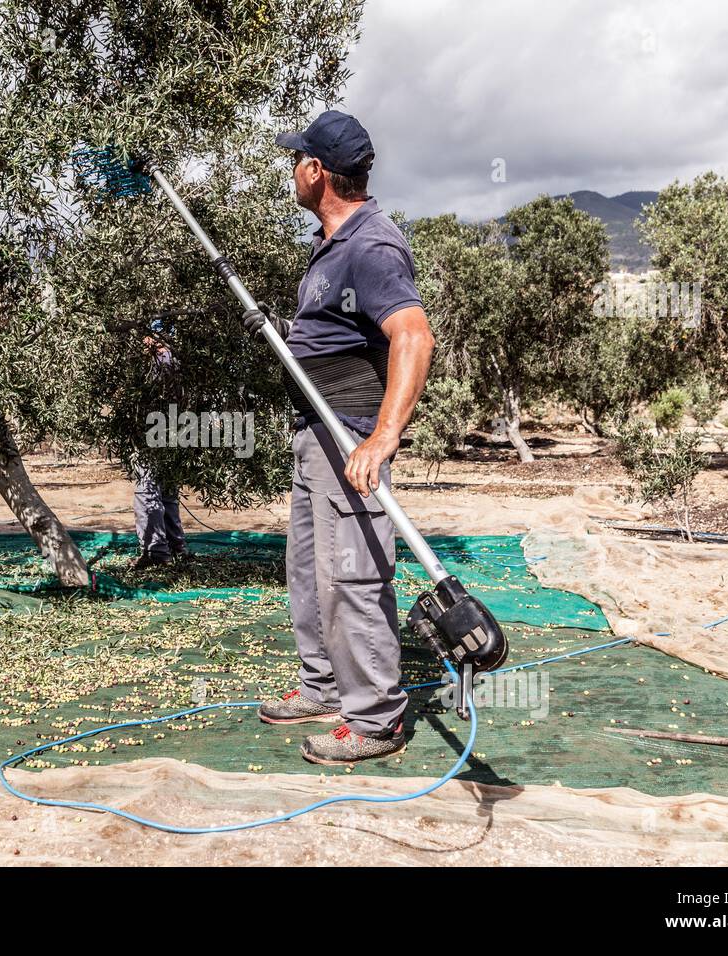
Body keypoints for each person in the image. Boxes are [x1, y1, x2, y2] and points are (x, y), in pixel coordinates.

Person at [245, 110, 436, 765]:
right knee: (309, 574)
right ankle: (324, 687)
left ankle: (377, 718)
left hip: (348, 439)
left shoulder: (371, 244)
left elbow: (412, 335)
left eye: (297, 159)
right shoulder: (332, 245)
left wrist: (382, 438)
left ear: (317, 171)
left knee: (352, 577)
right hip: (313, 438)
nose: (291, 169)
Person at [132, 322, 187, 569]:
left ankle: (156, 551)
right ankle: (177, 547)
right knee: (167, 492)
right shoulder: (175, 359)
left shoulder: (159, 361)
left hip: (155, 431)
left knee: (147, 491)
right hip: (175, 429)